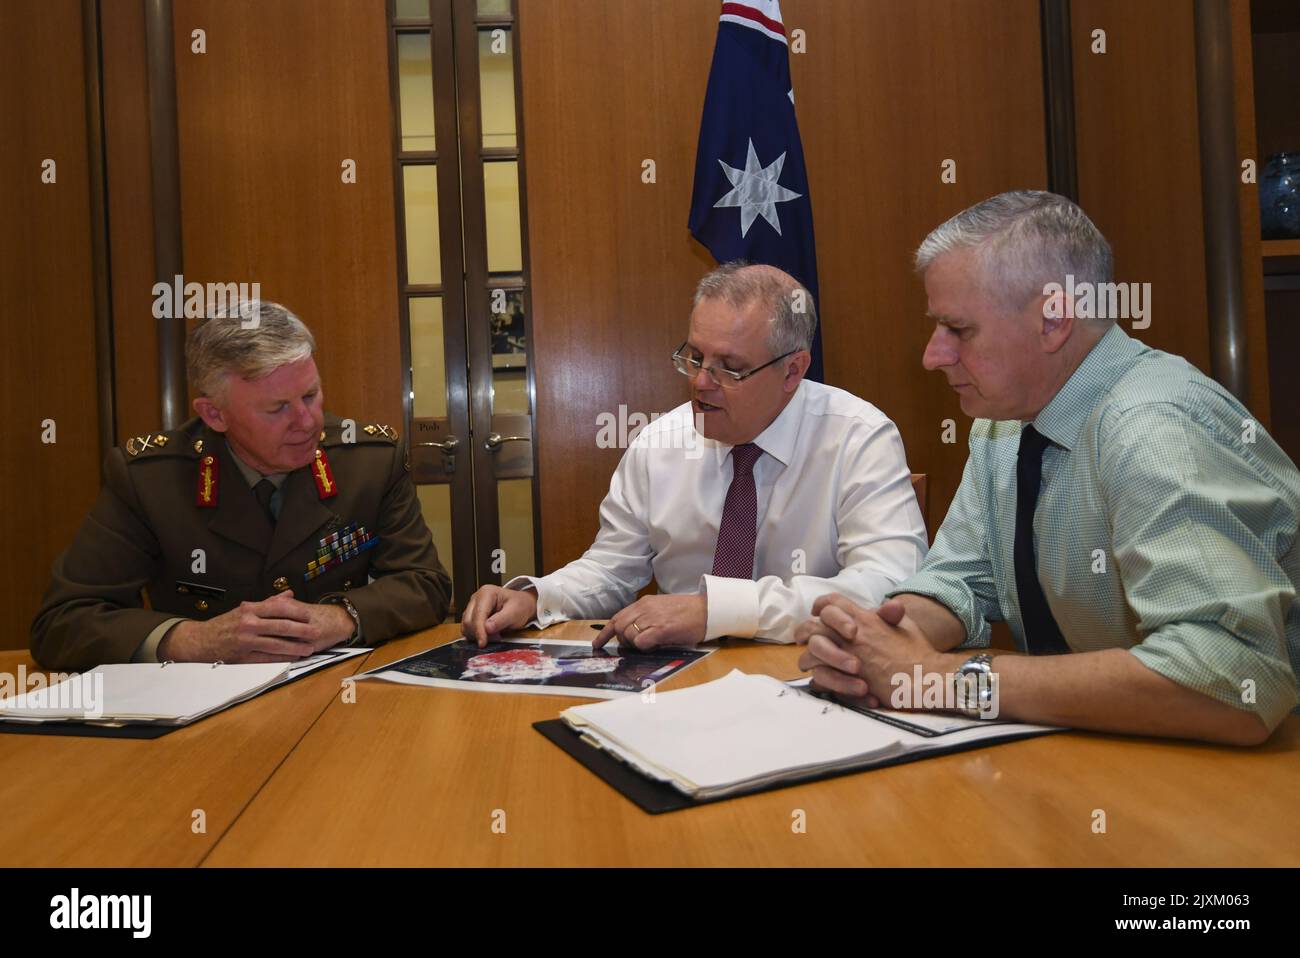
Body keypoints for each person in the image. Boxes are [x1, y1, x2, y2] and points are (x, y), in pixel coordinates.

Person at [796, 190, 1300, 745]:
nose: (933, 355)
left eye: (957, 329)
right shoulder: (1002, 422)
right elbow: (960, 581)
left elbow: (1233, 677)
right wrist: (872, 642)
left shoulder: (1153, 426)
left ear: (1054, 320)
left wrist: (941, 680)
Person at [462, 262, 927, 649]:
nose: (701, 382)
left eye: (730, 368)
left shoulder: (858, 436)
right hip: (680, 682)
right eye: (695, 357)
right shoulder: (659, 442)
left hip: (808, 675)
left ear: (793, 371)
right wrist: (536, 597)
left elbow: (889, 585)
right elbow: (610, 570)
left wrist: (718, 611)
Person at [31, 300, 451, 670]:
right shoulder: (150, 478)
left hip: (334, 699)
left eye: (310, 396)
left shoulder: (370, 462)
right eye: (278, 409)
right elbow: (62, 622)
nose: (307, 422)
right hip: (200, 713)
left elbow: (424, 583)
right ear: (214, 415)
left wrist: (342, 617)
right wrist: (195, 640)